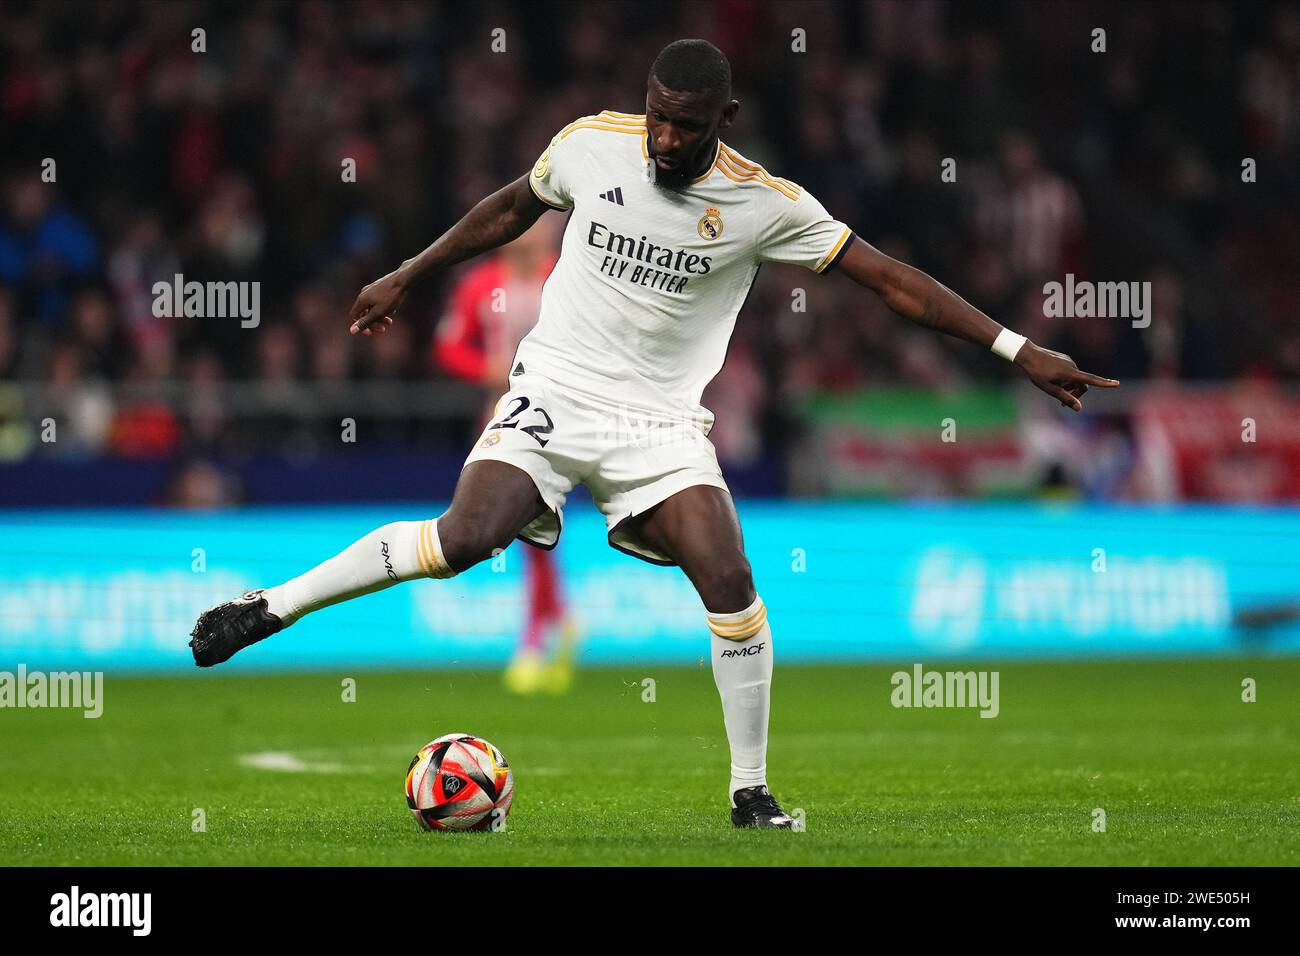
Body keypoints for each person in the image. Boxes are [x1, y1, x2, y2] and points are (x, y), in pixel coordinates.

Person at [189, 39, 1117, 829]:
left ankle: (750, 791)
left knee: (730, 576)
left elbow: (893, 281)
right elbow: (513, 206)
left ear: (725, 114)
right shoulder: (593, 146)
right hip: (555, 386)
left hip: (663, 423)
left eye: (688, 124)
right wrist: (409, 270)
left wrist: (1014, 346)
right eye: (659, 117)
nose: (668, 139)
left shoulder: (766, 203)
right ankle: (269, 608)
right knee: (464, 538)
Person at [433, 217, 580, 694]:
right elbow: (448, 345)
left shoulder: (567, 273)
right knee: (522, 527)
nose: (534, 233)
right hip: (506, 417)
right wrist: (486, 369)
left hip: (568, 415)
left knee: (530, 525)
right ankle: (552, 626)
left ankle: (542, 633)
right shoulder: (480, 284)